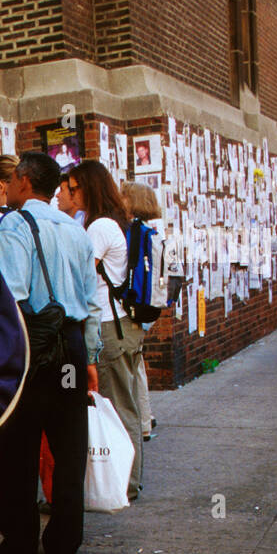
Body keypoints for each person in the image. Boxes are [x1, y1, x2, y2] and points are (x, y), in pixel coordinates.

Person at [0, 151, 100, 554]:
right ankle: (63, 543)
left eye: (13, 178)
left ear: (26, 181)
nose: (9, 185)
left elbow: (9, 297)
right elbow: (91, 302)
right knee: (69, 444)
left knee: (18, 445)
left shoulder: (14, 224)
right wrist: (90, 357)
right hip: (70, 346)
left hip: (30, 346)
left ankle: (19, 544)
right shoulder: (76, 230)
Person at [68, 159, 141, 500]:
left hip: (110, 327)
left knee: (117, 405)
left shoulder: (99, 227)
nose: (70, 193)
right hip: (120, 324)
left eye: (75, 187)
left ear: (88, 188)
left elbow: (82, 273)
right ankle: (127, 479)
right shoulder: (112, 222)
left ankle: (126, 482)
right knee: (123, 402)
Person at [119, 181, 164, 442]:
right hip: (150, 305)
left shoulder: (133, 231)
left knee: (134, 368)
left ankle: (142, 422)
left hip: (133, 306)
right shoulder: (153, 230)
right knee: (138, 365)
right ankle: (145, 420)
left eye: (123, 196)